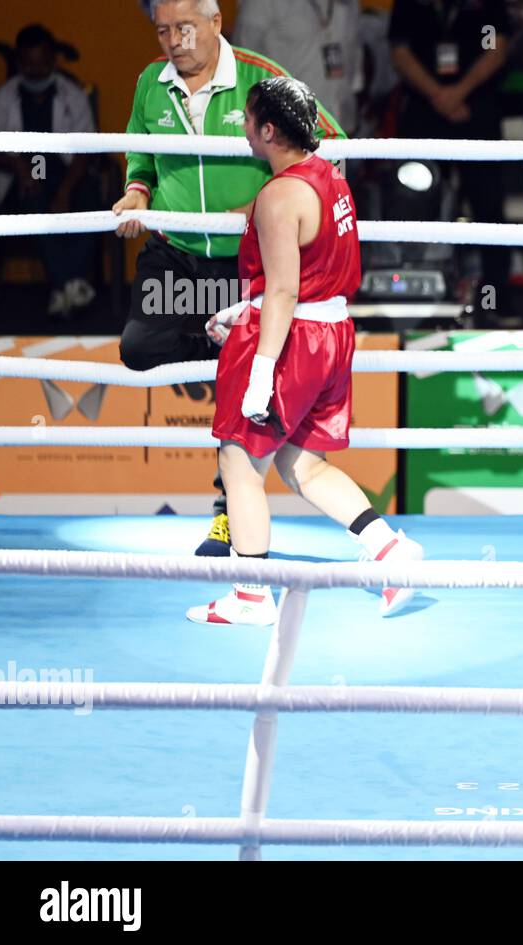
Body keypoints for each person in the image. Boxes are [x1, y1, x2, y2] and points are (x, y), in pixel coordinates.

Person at [187, 77, 423, 626]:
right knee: (301, 463)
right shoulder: (331, 178)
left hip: (292, 338)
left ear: (269, 130)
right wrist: (240, 313)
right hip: (331, 332)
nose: (243, 128)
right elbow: (306, 278)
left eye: (248, 120)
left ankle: (250, 595)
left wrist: (260, 370)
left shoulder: (278, 197)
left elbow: (287, 290)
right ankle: (389, 550)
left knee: (240, 461)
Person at [113, 0, 345, 556]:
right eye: (163, 29)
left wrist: (267, 203)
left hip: (245, 263)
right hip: (175, 252)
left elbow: (329, 149)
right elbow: (141, 154)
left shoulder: (263, 79)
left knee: (237, 408)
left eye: (184, 28)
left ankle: (226, 517)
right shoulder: (151, 81)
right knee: (139, 347)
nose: (173, 40)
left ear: (216, 22)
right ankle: (223, 347)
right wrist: (137, 191)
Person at [389, 0, 512, 313]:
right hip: (422, 116)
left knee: (488, 207)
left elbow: (497, 49)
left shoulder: (486, 7)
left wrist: (458, 92)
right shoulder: (412, 6)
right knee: (415, 201)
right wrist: (437, 94)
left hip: (476, 112)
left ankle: (495, 299)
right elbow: (400, 53)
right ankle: (414, 294)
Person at [0, 25, 99, 319]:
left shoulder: (71, 94)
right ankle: (71, 285)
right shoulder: (3, 98)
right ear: (19, 62)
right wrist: (17, 165)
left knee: (91, 198)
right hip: (28, 172)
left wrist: (64, 193)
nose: (35, 71)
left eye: (41, 63)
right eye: (29, 64)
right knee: (36, 199)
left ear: (52, 60)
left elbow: (88, 149)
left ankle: (65, 288)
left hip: (65, 174)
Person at [232, 0, 363, 135]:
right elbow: (242, 63)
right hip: (285, 130)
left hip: (341, 125)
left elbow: (355, 53)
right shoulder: (262, 3)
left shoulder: (350, 3)